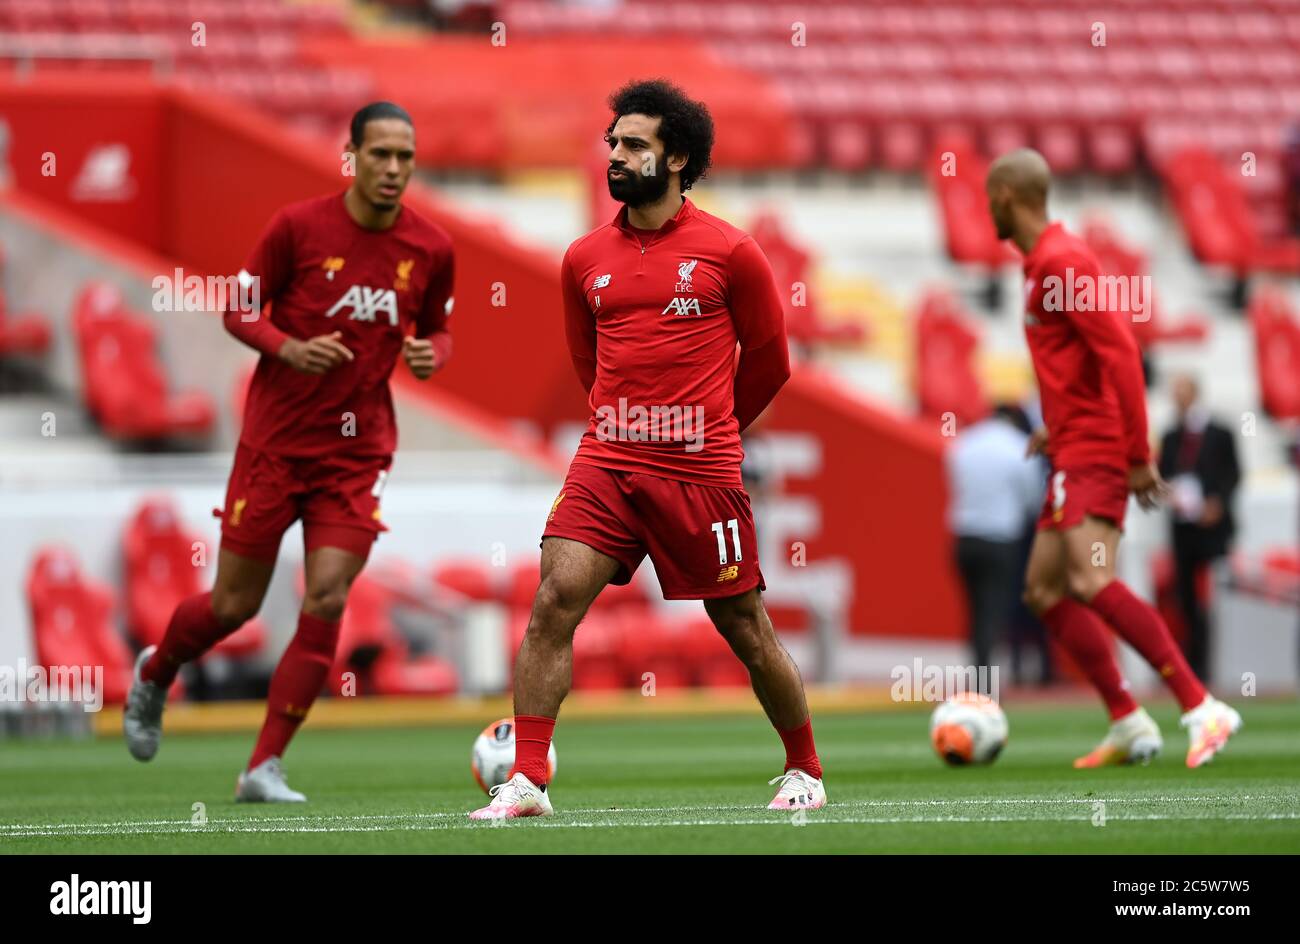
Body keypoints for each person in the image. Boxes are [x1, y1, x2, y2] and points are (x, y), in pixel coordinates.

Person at [470, 79, 822, 820]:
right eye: (614, 145)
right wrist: (619, 425)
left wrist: (715, 429)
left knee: (745, 628)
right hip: (607, 460)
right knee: (553, 602)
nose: (618, 156)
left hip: (701, 469)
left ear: (678, 156)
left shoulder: (732, 252)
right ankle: (528, 780)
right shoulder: (581, 259)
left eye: (635, 145)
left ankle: (805, 769)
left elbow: (771, 361)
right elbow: (587, 365)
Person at [122, 102, 455, 801]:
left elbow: (439, 331)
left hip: (358, 454)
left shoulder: (432, 249)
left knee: (328, 594)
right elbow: (237, 307)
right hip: (275, 446)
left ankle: (262, 766)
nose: (393, 169)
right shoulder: (296, 228)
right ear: (352, 156)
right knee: (233, 606)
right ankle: (157, 669)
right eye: (380, 155)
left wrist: (432, 354)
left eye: (405, 157)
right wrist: (289, 347)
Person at [985, 148, 1241, 769]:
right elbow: (1079, 362)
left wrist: (1133, 452)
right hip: (1073, 445)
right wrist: (1056, 427)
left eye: (990, 196)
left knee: (1091, 577)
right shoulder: (1040, 264)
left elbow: (1122, 351)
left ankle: (1200, 705)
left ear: (1009, 198)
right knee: (1045, 590)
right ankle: (1127, 719)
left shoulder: (1062, 260)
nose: (986, 207)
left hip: (1097, 453)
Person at [946, 404, 1043, 687]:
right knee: (992, 610)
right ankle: (984, 684)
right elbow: (1032, 499)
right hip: (1000, 538)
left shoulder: (964, 443)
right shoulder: (1017, 446)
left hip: (964, 537)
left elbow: (955, 484)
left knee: (975, 611)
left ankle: (978, 676)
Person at [1158, 374, 1241, 681]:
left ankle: (1220, 661)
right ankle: (1195, 664)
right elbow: (1164, 475)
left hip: (1213, 528)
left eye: (1181, 391)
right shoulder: (1170, 436)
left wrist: (1216, 503)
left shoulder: (1220, 432)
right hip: (1184, 528)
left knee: (1215, 593)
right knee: (1187, 596)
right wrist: (1172, 495)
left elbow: (1233, 473)